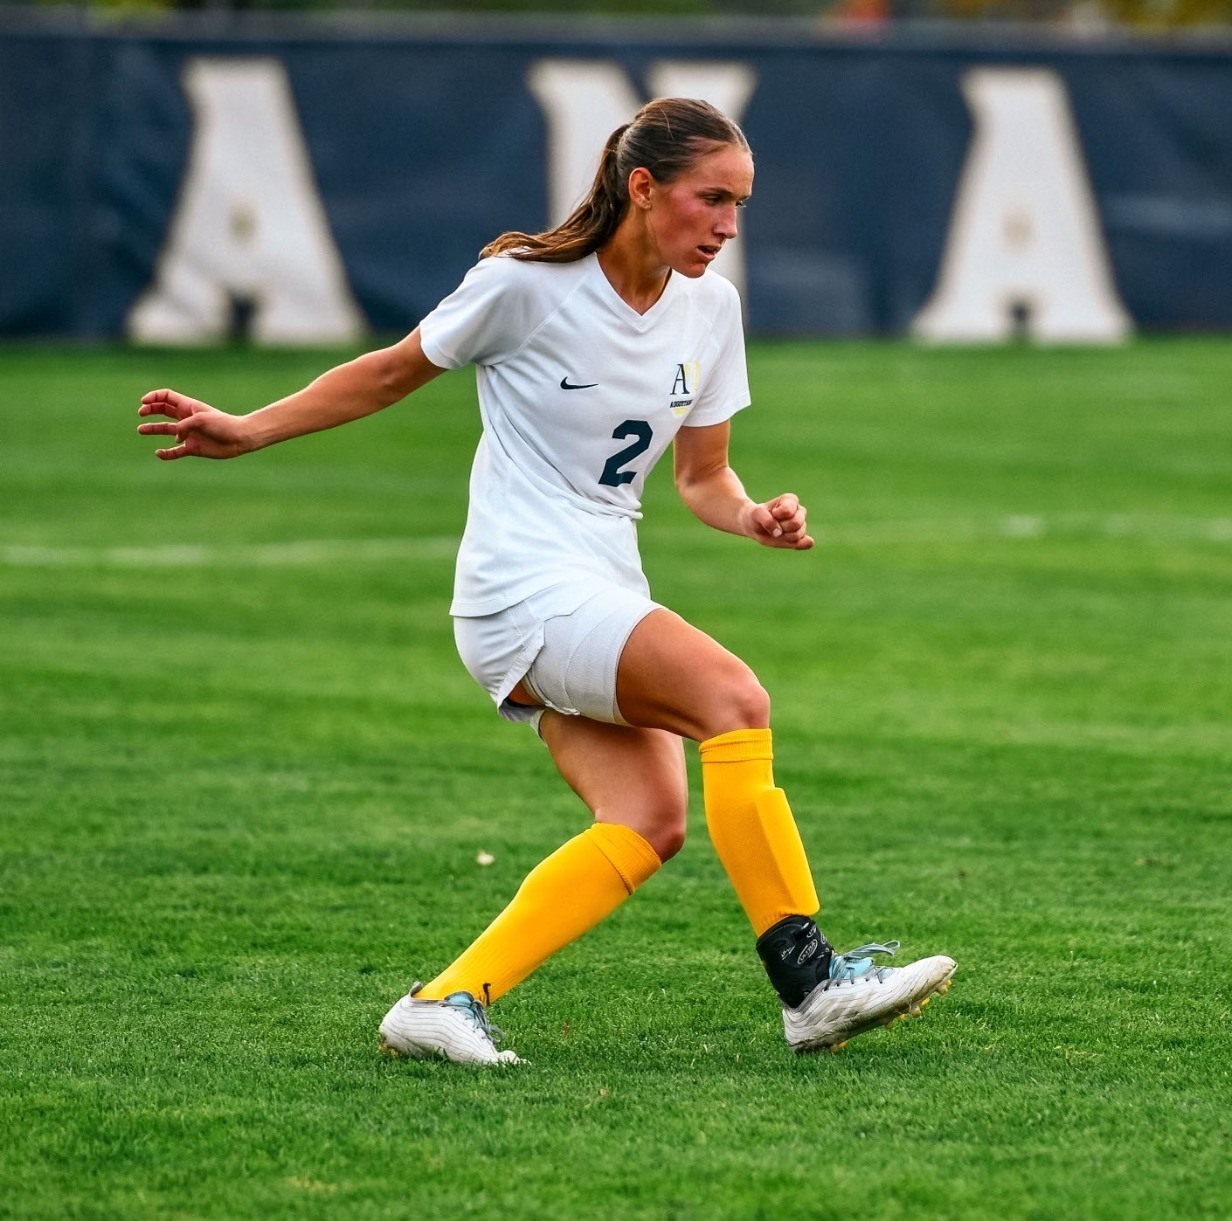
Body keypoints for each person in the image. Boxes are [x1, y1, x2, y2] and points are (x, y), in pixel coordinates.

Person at [135, 97, 955, 1064]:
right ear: (642, 189)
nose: (729, 226)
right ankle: (812, 984)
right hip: (521, 588)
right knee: (736, 700)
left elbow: (702, 475)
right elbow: (394, 372)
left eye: (742, 203)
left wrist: (752, 516)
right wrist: (248, 427)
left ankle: (441, 1003)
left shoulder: (711, 308)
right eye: (712, 199)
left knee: (650, 821)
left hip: (602, 583)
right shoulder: (526, 283)